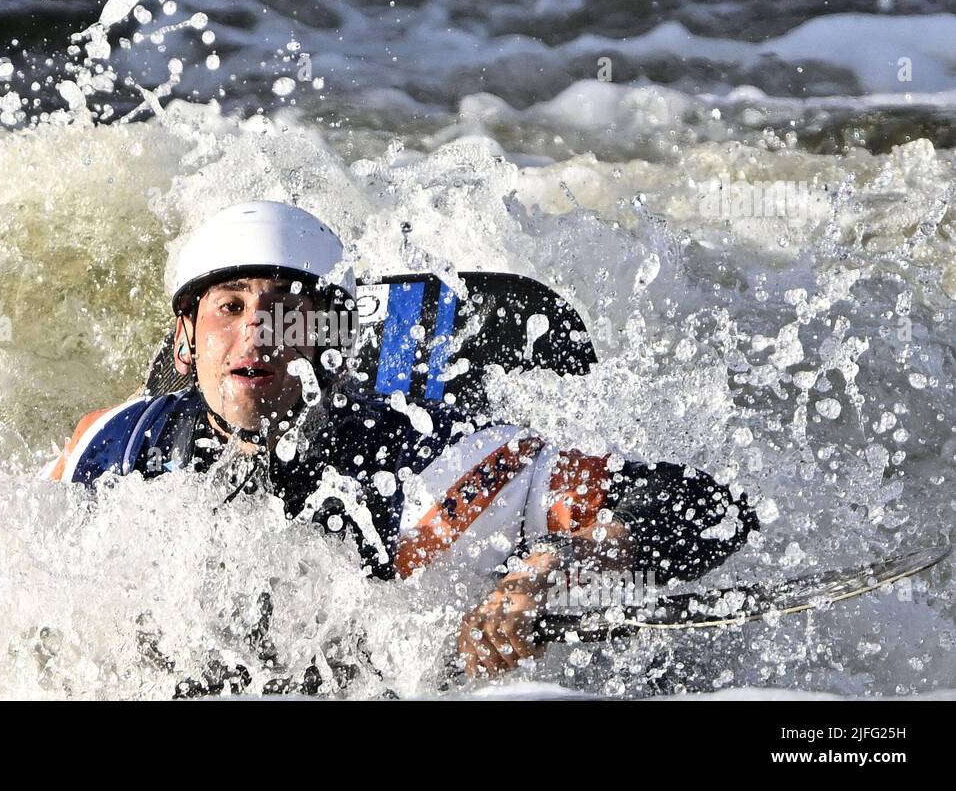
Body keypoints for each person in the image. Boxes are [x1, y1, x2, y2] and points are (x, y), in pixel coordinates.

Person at [43, 200, 758, 678]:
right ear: (185, 339)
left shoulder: (450, 468)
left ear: (331, 340)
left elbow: (706, 509)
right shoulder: (111, 447)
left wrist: (548, 569)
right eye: (229, 306)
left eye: (287, 310)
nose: (256, 331)